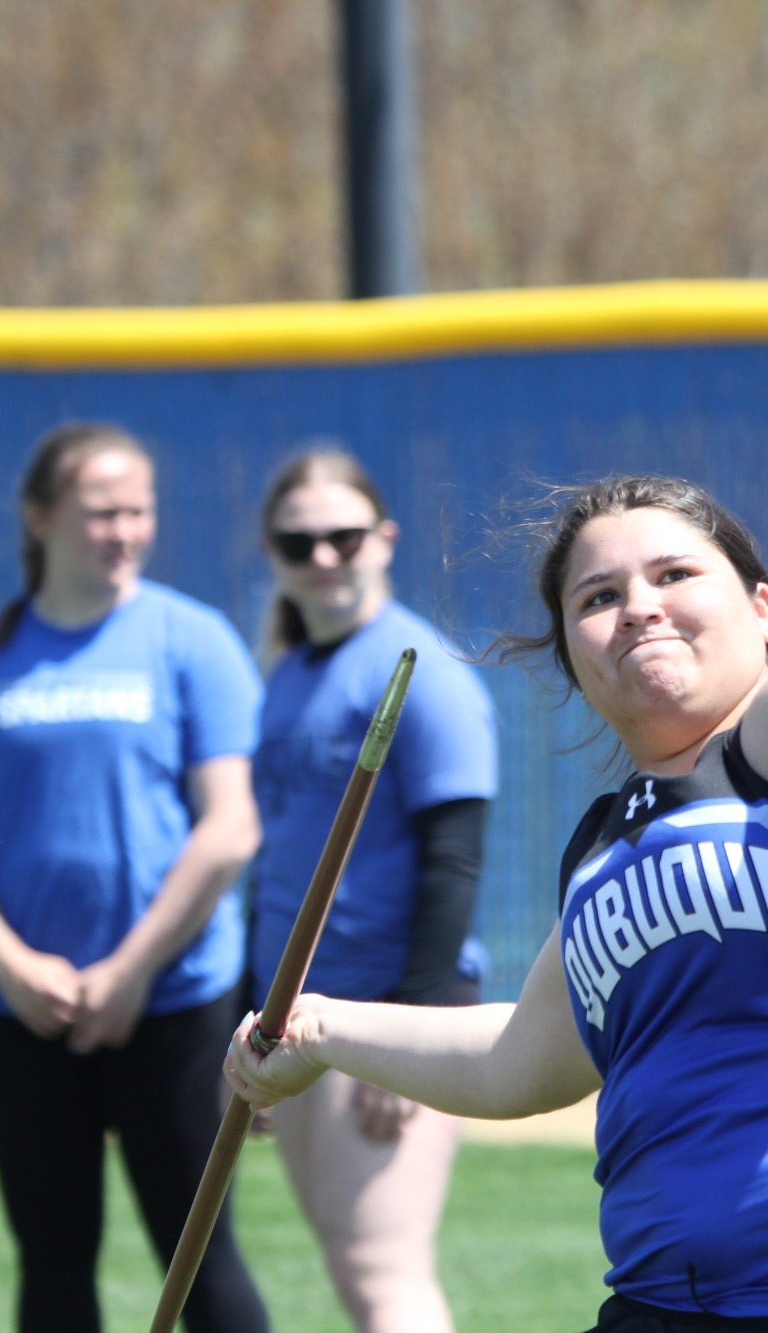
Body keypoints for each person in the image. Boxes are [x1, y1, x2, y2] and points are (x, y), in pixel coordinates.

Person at [226, 473, 768, 1332]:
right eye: (599, 596)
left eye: (674, 574)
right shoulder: (603, 852)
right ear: (573, 655)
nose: (639, 607)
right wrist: (320, 1028)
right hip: (671, 1309)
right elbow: (516, 1059)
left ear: (762, 609)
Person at [0, 422, 270, 1333]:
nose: (125, 530)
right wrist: (13, 967)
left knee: (200, 1259)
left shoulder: (192, 639)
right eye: (102, 511)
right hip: (23, 1010)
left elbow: (230, 826)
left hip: (175, 1001)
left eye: (139, 511)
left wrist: (132, 969)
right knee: (53, 1263)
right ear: (38, 517)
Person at [250, 448, 498, 1332]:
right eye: (299, 541)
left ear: (385, 539)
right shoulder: (288, 672)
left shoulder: (420, 669)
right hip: (297, 1013)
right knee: (350, 1265)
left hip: (383, 1008)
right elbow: (272, 860)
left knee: (381, 1270)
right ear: (272, 552)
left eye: (344, 536)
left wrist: (414, 1028)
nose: (323, 556)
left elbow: (455, 856)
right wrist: (256, 1015)